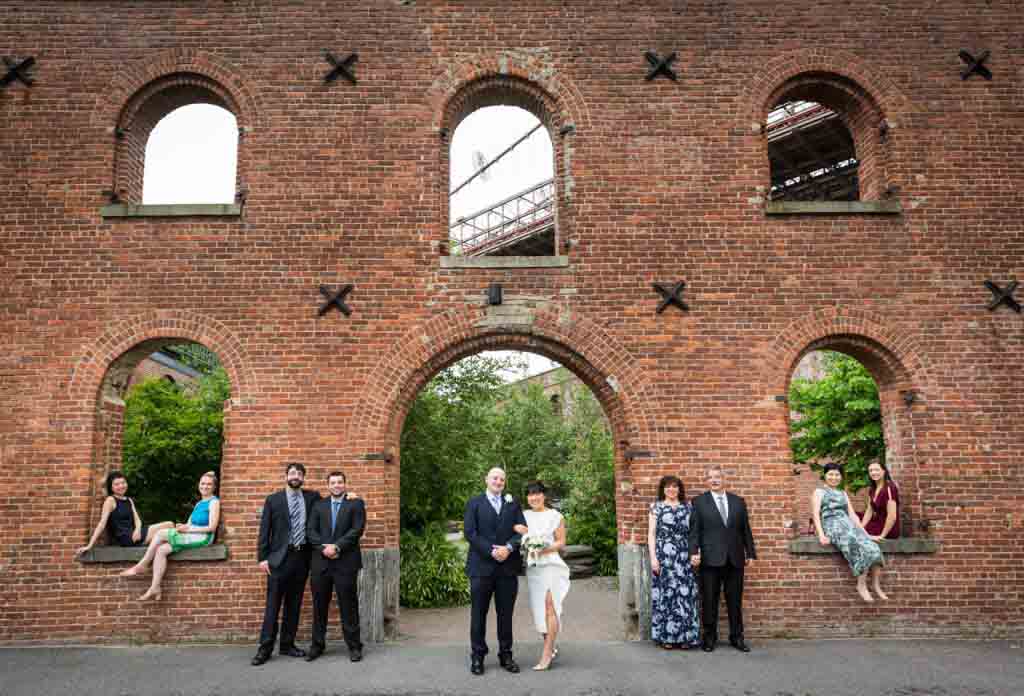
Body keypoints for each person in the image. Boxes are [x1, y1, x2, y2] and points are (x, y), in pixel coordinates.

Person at [252, 462, 321, 666]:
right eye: (292, 472)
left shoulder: (312, 498)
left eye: (299, 473)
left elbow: (330, 504)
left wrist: (349, 495)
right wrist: (262, 558)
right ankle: (265, 648)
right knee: (273, 605)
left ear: (303, 478)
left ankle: (287, 644)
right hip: (278, 560)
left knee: (294, 604)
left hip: (302, 558)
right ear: (286, 476)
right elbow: (265, 530)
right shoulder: (273, 500)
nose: (296, 476)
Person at [117, 470, 220, 601]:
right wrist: (182, 527)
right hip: (192, 534)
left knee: (161, 533)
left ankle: (142, 565)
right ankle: (155, 587)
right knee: (161, 550)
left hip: (203, 537)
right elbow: (189, 523)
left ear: (214, 487)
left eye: (209, 484)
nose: (205, 486)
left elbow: (212, 527)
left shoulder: (214, 502)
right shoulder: (200, 503)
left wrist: (187, 530)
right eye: (203, 483)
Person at [464, 467, 527, 676]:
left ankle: (506, 654)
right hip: (481, 568)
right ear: (486, 480)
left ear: (504, 483)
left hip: (507, 569)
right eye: (495, 478)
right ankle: (477, 656)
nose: (498, 481)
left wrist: (508, 548)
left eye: (502, 479)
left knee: (505, 614)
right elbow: (470, 533)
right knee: (478, 614)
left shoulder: (513, 503)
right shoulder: (474, 503)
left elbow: (522, 531)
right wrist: (492, 551)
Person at [688, 465, 756, 653]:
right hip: (709, 560)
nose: (714, 480)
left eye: (717, 477)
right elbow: (694, 531)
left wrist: (750, 553)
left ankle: (737, 637)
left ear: (724, 479)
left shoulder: (738, 502)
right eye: (710, 477)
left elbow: (745, 530)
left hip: (735, 559)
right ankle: (709, 638)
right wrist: (693, 552)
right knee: (709, 600)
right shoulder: (699, 502)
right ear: (706, 481)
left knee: (735, 601)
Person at [306, 470, 366, 663]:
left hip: (345, 563)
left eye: (340, 482)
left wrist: (337, 546)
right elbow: (310, 530)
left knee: (349, 606)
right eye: (333, 482)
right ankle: (317, 646)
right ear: (328, 485)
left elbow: (357, 529)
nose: (337, 485)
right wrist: (324, 548)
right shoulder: (318, 505)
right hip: (321, 563)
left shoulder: (355, 503)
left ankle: (354, 647)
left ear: (345, 484)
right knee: (319, 607)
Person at [513, 481, 570, 671]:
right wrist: (526, 540)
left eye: (537, 494)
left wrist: (545, 548)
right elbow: (518, 538)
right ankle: (550, 644)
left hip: (551, 564)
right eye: (530, 495)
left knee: (550, 605)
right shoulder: (523, 516)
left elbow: (561, 542)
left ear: (544, 495)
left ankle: (546, 655)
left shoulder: (555, 516)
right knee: (540, 609)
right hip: (534, 567)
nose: (534, 497)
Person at [812, 463, 887, 602]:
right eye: (831, 474)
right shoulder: (819, 492)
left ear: (840, 477)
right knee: (857, 545)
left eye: (837, 475)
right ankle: (861, 584)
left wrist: (867, 534)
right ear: (825, 475)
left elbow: (852, 515)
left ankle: (876, 585)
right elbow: (816, 514)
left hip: (848, 524)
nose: (834, 477)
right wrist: (821, 534)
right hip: (832, 526)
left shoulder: (843, 493)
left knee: (873, 547)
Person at [648, 475, 701, 650]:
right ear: (663, 489)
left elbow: (694, 532)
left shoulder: (688, 507)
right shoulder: (656, 507)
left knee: (685, 596)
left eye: (675, 486)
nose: (672, 490)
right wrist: (653, 558)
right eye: (668, 487)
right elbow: (652, 534)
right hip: (664, 557)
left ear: (680, 489)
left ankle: (686, 637)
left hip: (684, 556)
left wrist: (696, 552)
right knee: (667, 595)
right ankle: (667, 637)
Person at [76, 470, 173, 556]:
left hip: (135, 533)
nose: (121, 486)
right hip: (126, 538)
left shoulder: (128, 500)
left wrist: (137, 530)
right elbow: (102, 524)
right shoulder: (110, 501)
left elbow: (137, 520)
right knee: (169, 526)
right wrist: (89, 545)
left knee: (168, 528)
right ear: (111, 487)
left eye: (123, 483)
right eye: (117, 484)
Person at [861, 460, 900, 540]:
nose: (873, 473)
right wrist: (860, 528)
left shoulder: (889, 488)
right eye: (871, 470)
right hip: (876, 522)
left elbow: (892, 516)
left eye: (876, 470)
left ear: (884, 471)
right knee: (852, 519)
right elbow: (869, 511)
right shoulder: (872, 489)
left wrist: (882, 536)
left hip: (887, 528)